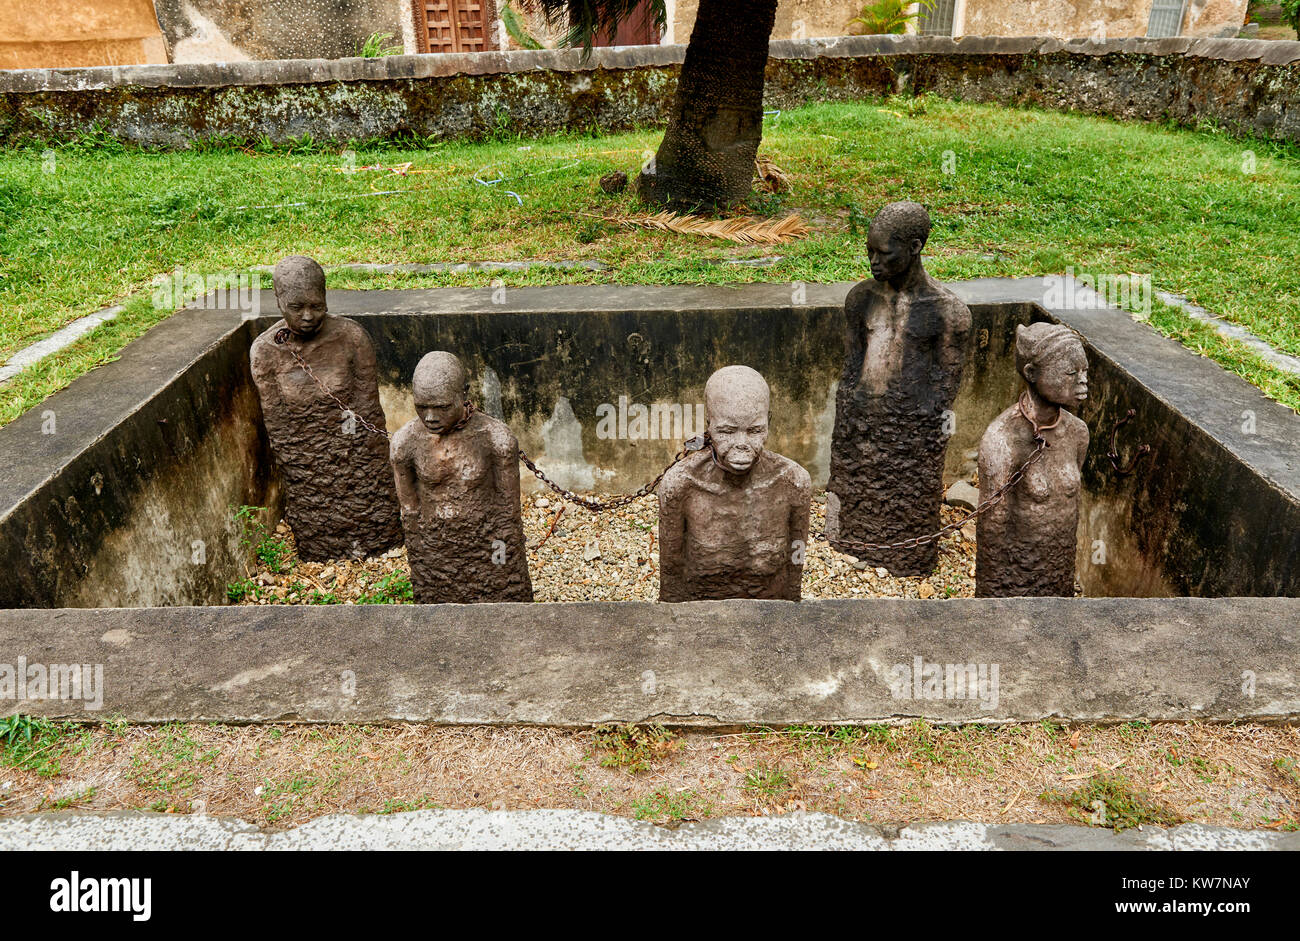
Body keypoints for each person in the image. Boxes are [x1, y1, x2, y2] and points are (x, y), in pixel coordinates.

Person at [249, 255, 401, 561]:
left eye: (316, 306)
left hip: (356, 454)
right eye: (297, 307)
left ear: (326, 298)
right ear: (279, 302)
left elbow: (368, 411)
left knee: (369, 512)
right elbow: (279, 426)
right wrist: (311, 467)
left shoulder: (352, 338)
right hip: (308, 465)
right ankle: (324, 551)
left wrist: (356, 462)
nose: (308, 316)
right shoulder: (265, 353)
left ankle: (378, 544)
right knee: (320, 520)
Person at [390, 351, 533, 603]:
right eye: (422, 407)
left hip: (486, 542)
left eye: (442, 407)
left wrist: (503, 554)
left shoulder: (495, 438)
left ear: (464, 394)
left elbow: (509, 509)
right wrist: (423, 555)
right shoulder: (405, 442)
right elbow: (410, 509)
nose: (431, 417)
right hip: (437, 545)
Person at [658, 365, 810, 602]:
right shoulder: (681, 485)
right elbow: (671, 577)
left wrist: (791, 615)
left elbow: (796, 562)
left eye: (754, 430)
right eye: (727, 431)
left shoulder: (793, 482)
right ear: (709, 424)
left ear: (768, 422)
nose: (741, 443)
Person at [976, 322, 1090, 597]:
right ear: (1031, 373)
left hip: (1058, 570)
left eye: (1085, 371)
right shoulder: (1002, 439)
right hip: (1016, 578)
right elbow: (992, 527)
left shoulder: (1078, 433)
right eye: (1071, 373)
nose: (1083, 380)